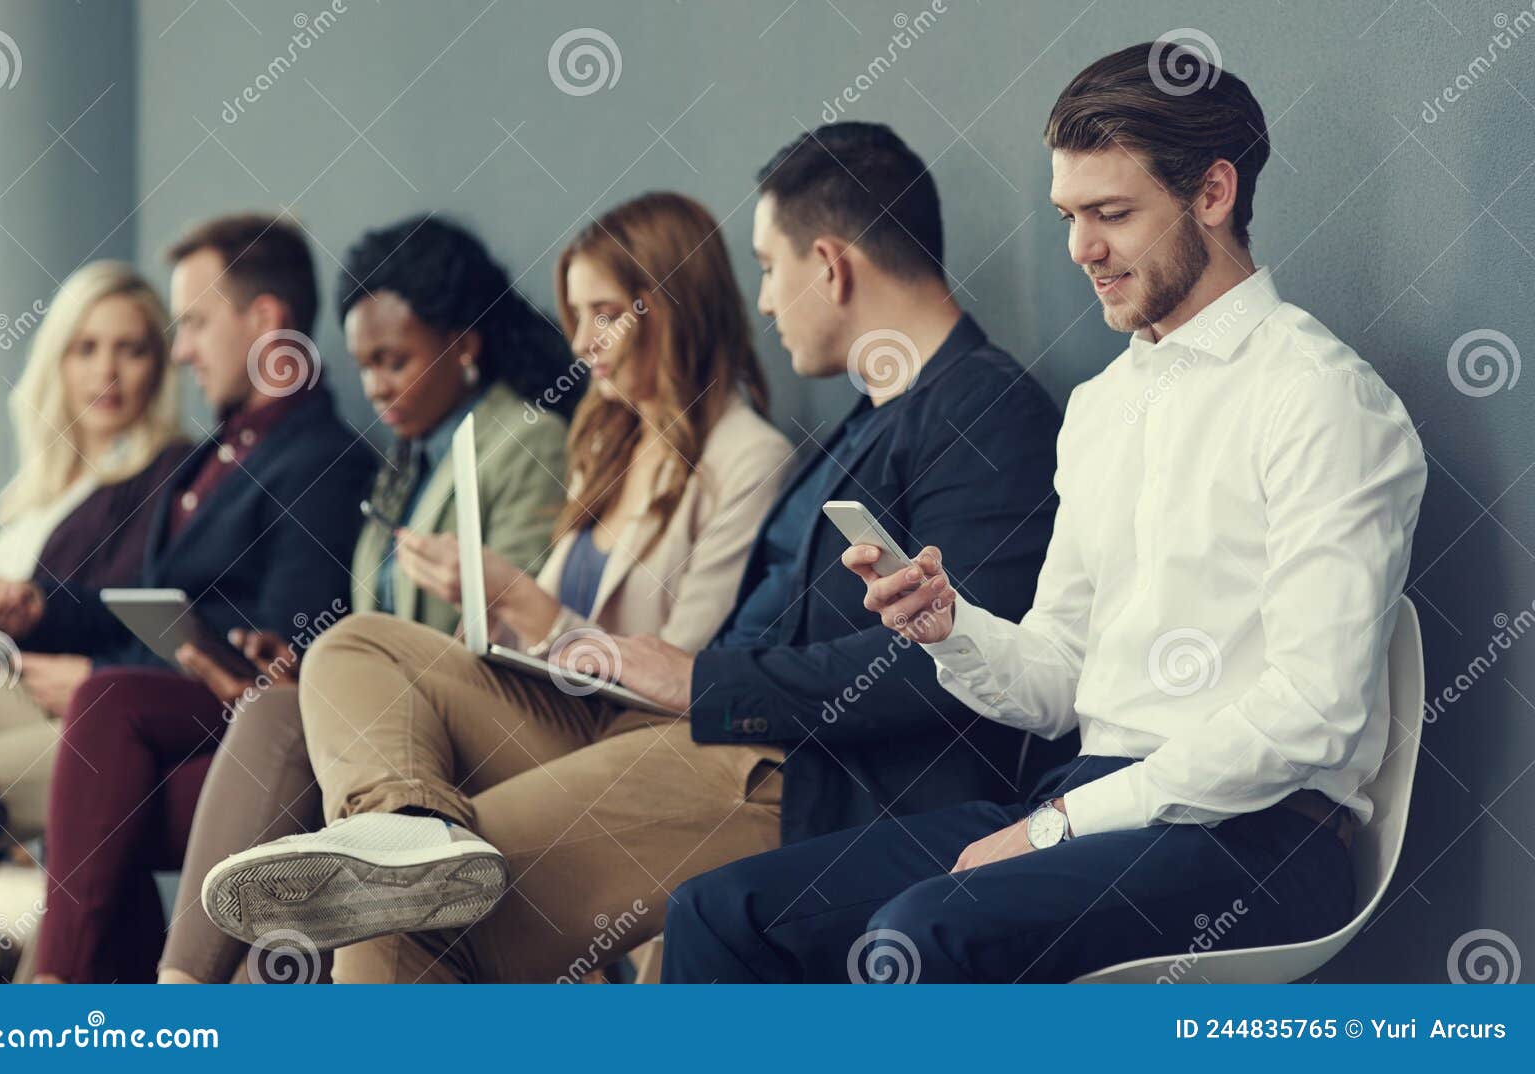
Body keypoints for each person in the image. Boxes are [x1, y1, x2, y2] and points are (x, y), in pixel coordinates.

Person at [205, 125, 1068, 984]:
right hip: (684, 729)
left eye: (770, 268)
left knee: (397, 913)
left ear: (830, 266)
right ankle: (402, 826)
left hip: (793, 772)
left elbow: (952, 667)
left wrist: (700, 681)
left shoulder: (984, 409)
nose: (766, 302)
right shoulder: (867, 422)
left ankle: (378, 895)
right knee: (354, 647)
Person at [661, 43, 1429, 984]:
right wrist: (950, 630)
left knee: (921, 933)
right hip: (1089, 801)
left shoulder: (1320, 397)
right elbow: (1060, 678)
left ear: (1213, 193)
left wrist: (1060, 825)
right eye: (1070, 216)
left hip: (1260, 837)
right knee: (721, 912)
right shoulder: (1103, 408)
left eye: (1113, 214)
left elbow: (1313, 713)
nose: (1080, 250)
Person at [154, 214, 573, 984]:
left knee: (276, 720)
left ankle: (177, 994)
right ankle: (187, 995)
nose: (375, 385)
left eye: (395, 360)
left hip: (483, 722)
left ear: (464, 346)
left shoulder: (526, 442)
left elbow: (507, 631)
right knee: (281, 729)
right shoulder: (405, 463)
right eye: (364, 364)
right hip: (396, 722)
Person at [22, 214, 375, 983]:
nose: (180, 351)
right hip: (176, 719)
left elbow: (286, 646)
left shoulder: (323, 459)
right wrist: (36, 606)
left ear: (264, 320)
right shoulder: (212, 457)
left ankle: (57, 994)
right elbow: (141, 603)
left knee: (106, 708)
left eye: (194, 324)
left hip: (250, 712)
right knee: (113, 782)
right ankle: (114, 1013)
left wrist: (101, 669)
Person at [0, 261, 190, 956]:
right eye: (87, 348)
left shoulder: (168, 477)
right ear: (59, 361)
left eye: (130, 349)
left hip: (76, 712)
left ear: (158, 366)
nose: (107, 371)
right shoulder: (29, 497)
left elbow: (127, 611)